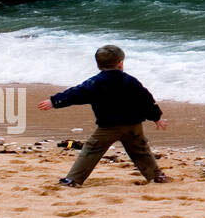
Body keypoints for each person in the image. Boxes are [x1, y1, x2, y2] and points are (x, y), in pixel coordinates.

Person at [38, 44, 170, 187]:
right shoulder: (131, 81)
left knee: (91, 150)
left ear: (98, 65)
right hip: (133, 125)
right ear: (120, 63)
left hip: (108, 127)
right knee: (141, 151)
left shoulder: (95, 83)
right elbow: (146, 100)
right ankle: (156, 177)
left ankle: (73, 179)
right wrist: (156, 117)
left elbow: (75, 94)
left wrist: (55, 101)